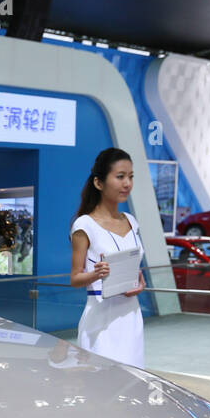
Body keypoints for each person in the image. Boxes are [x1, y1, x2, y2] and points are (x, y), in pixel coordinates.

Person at [69, 147, 146, 368]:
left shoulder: (132, 221)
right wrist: (96, 274)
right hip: (101, 321)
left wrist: (140, 283)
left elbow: (135, 270)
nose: (127, 183)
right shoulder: (84, 225)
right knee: (101, 389)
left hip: (131, 316)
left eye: (130, 177)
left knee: (132, 384)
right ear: (99, 183)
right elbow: (75, 278)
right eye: (120, 177)